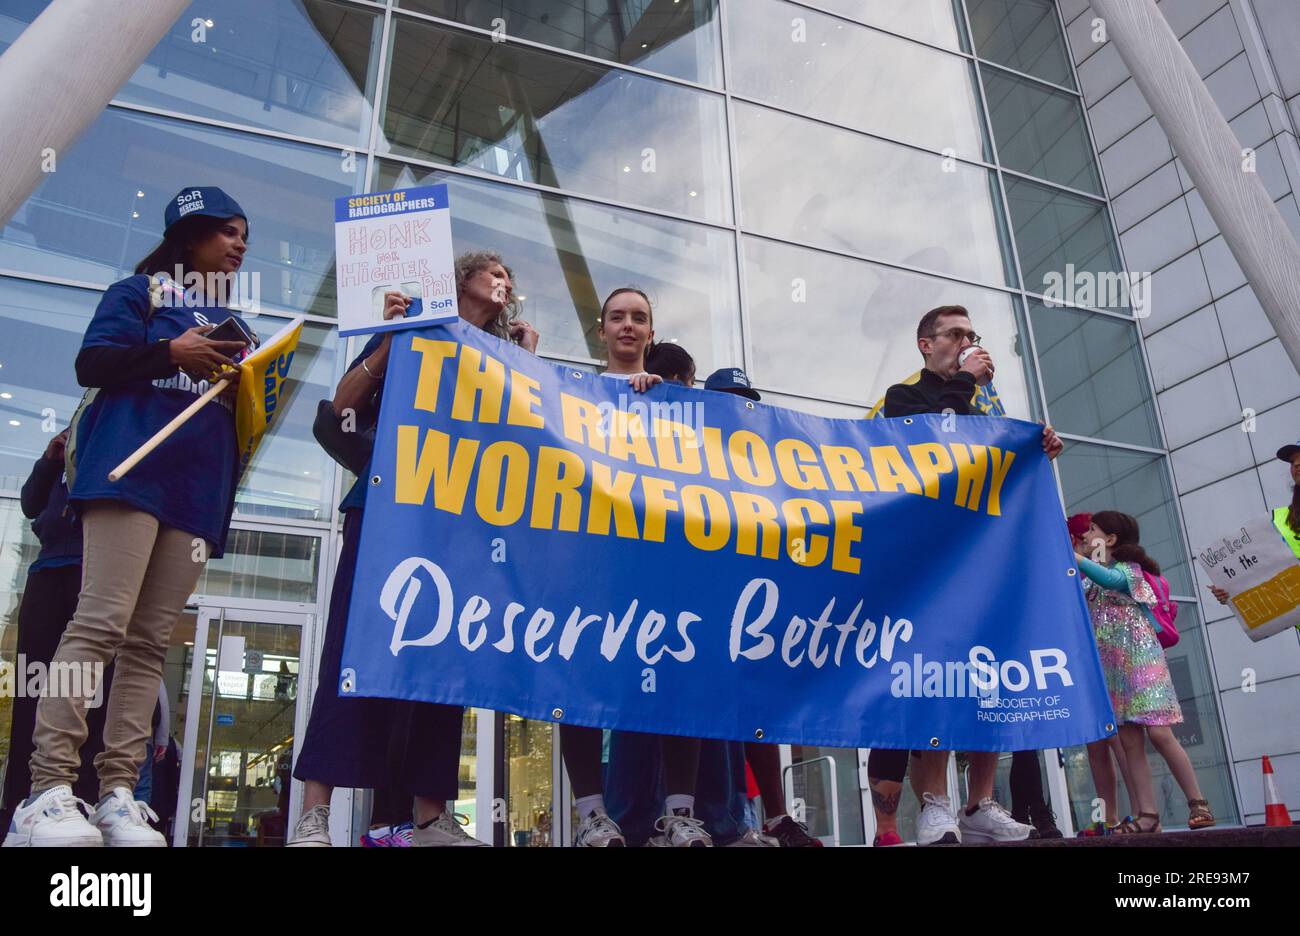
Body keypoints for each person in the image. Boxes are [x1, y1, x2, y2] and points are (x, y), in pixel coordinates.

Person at [5, 187, 255, 847]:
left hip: (195, 491)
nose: (239, 247)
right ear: (191, 234)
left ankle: (118, 792)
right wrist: (171, 355)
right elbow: (93, 362)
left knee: (148, 643)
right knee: (100, 624)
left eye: (244, 238)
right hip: (130, 476)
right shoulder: (138, 293)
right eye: (229, 233)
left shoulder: (231, 323)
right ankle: (47, 789)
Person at [289, 251, 537, 848]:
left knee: (441, 664)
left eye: (510, 276)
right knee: (353, 653)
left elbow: (526, 440)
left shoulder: (502, 356)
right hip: (382, 517)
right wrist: (388, 342)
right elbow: (342, 412)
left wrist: (525, 364)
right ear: (461, 281)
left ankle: (430, 817)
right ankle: (314, 815)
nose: (503, 281)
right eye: (492, 272)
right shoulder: (413, 332)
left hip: (456, 529)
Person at [881, 304, 1063, 846]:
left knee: (990, 674)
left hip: (987, 558)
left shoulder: (988, 403)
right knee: (936, 673)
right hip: (933, 561)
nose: (965, 341)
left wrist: (1037, 448)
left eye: (970, 334)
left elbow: (1000, 468)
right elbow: (936, 438)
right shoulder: (903, 396)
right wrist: (965, 379)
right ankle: (934, 804)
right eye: (954, 334)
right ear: (925, 343)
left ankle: (980, 802)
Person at [566, 287, 709, 846]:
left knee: (675, 673)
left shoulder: (673, 401)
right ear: (601, 331)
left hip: (660, 562)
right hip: (594, 561)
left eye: (639, 318)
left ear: (652, 332)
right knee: (581, 678)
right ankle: (592, 816)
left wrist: (662, 405)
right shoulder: (571, 395)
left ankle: (679, 813)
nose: (628, 326)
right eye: (618, 318)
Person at [1075, 511, 1215, 832]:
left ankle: (1198, 803)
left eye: (1092, 530)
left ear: (1110, 540)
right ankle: (1148, 815)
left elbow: (1111, 580)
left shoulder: (1129, 570)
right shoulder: (1089, 579)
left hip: (1141, 662)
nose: (1085, 535)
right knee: (1129, 742)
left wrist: (1076, 558)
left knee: (1160, 733)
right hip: (1112, 670)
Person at [0, 430, 110, 837]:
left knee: (87, 695)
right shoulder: (62, 460)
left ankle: (79, 805)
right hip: (47, 572)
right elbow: (30, 502)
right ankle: (21, 806)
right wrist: (50, 460)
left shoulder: (112, 448)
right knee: (34, 690)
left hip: (94, 573)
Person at [1209, 441, 1300, 608]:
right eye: (1292, 461)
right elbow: (1262, 568)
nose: (1296, 464)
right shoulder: (1278, 518)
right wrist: (1230, 590)